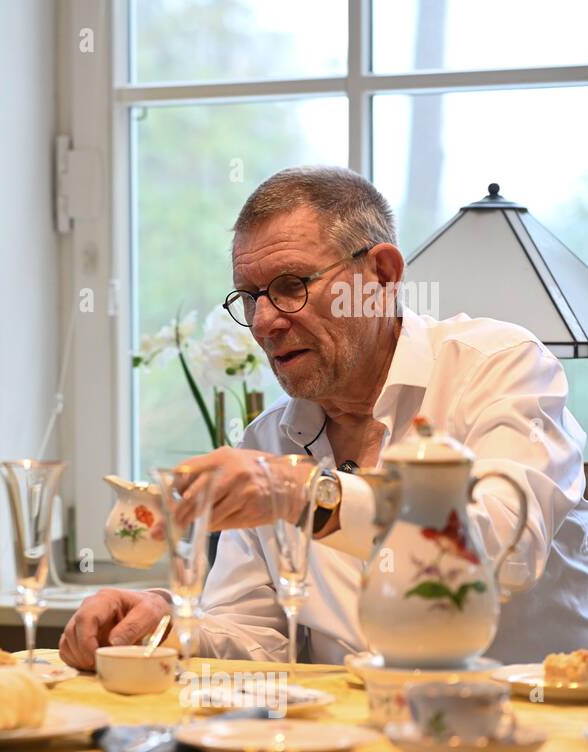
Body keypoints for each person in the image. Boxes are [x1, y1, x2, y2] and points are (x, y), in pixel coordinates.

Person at [61, 166, 588, 670]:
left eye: (291, 285)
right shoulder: (267, 440)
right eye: (249, 297)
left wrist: (304, 495)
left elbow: (506, 550)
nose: (264, 322)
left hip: (527, 734)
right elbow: (257, 634)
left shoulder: (500, 367)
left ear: (381, 274)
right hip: (353, 739)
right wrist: (166, 621)